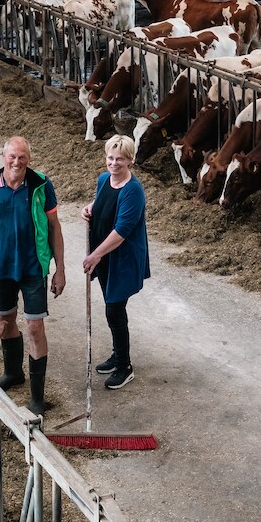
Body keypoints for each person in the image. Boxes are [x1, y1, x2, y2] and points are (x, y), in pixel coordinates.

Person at [0, 136, 66, 413]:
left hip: (32, 268)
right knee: (5, 321)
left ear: (29, 158)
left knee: (34, 326)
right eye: (12, 157)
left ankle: (37, 396)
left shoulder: (41, 185)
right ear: (3, 156)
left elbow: (54, 227)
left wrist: (60, 269)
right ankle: (13, 373)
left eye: (22, 157)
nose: (17, 162)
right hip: (1, 268)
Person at [80, 135, 150, 390]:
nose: (114, 163)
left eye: (120, 159)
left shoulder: (133, 191)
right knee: (112, 307)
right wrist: (89, 208)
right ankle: (117, 354)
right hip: (105, 255)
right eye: (110, 157)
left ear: (130, 160)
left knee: (114, 309)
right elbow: (102, 202)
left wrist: (96, 254)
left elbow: (121, 231)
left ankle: (124, 365)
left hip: (122, 258)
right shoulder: (103, 180)